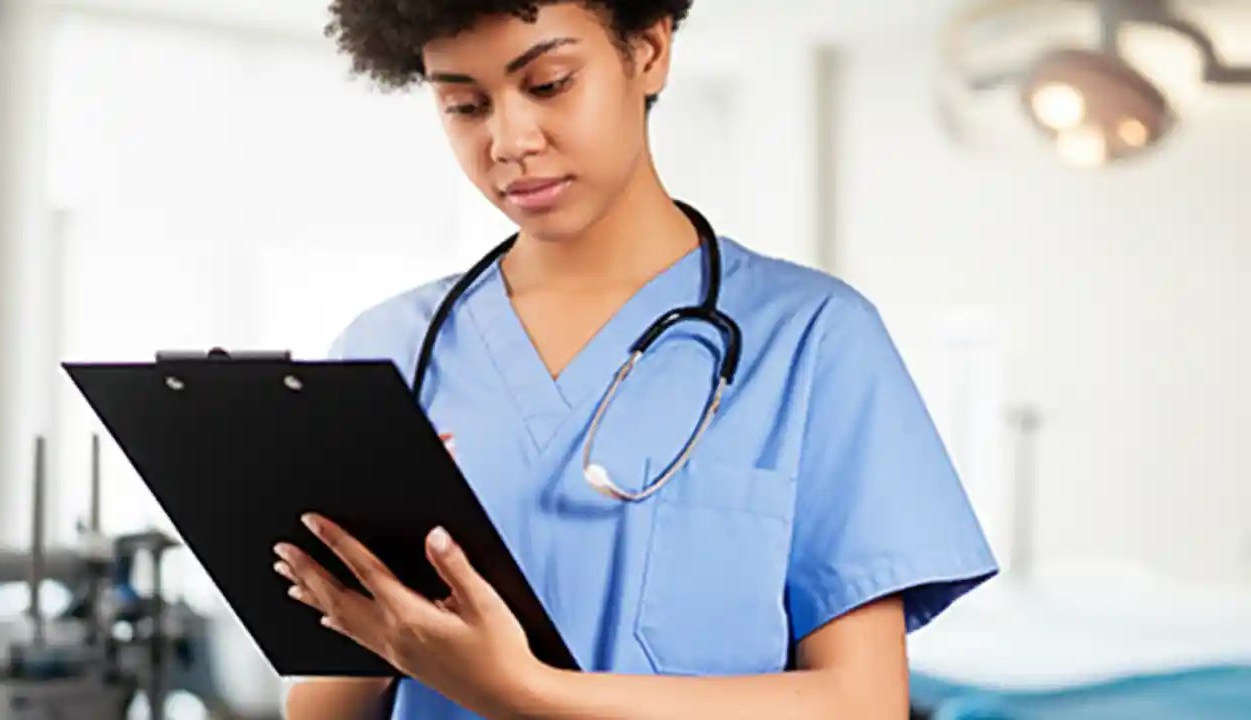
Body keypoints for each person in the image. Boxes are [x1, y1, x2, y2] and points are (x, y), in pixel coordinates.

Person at [276, 1, 998, 718]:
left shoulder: (812, 337)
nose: (509, 140)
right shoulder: (390, 349)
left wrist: (522, 692)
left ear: (649, 51)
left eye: (550, 83)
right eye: (465, 105)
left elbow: (860, 706)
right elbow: (320, 707)